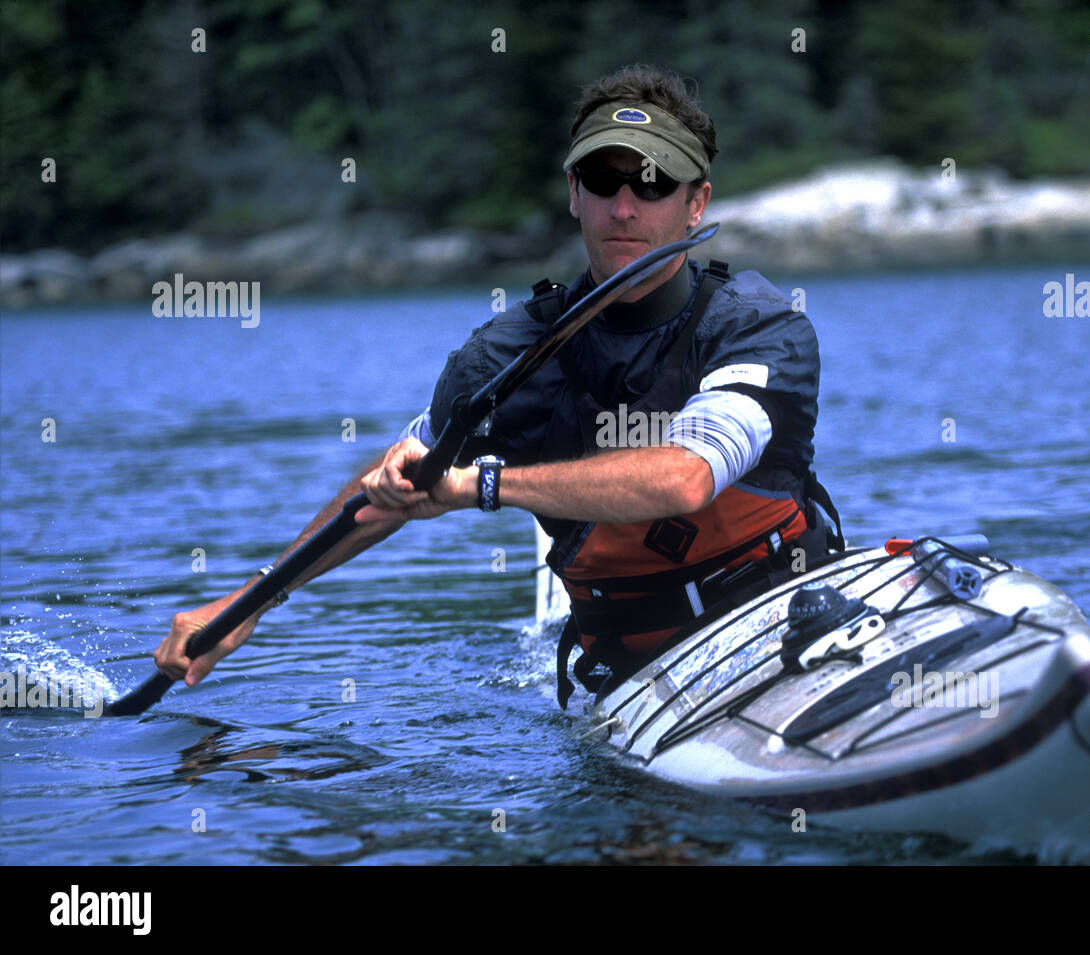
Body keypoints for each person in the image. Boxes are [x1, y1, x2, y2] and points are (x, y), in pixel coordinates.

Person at [153, 65, 839, 707]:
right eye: (603, 179)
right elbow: (397, 485)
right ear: (574, 193)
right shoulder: (508, 354)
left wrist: (480, 487)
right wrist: (246, 603)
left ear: (697, 203)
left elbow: (688, 478)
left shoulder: (756, 326)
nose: (625, 207)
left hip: (785, 610)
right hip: (629, 663)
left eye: (654, 183)